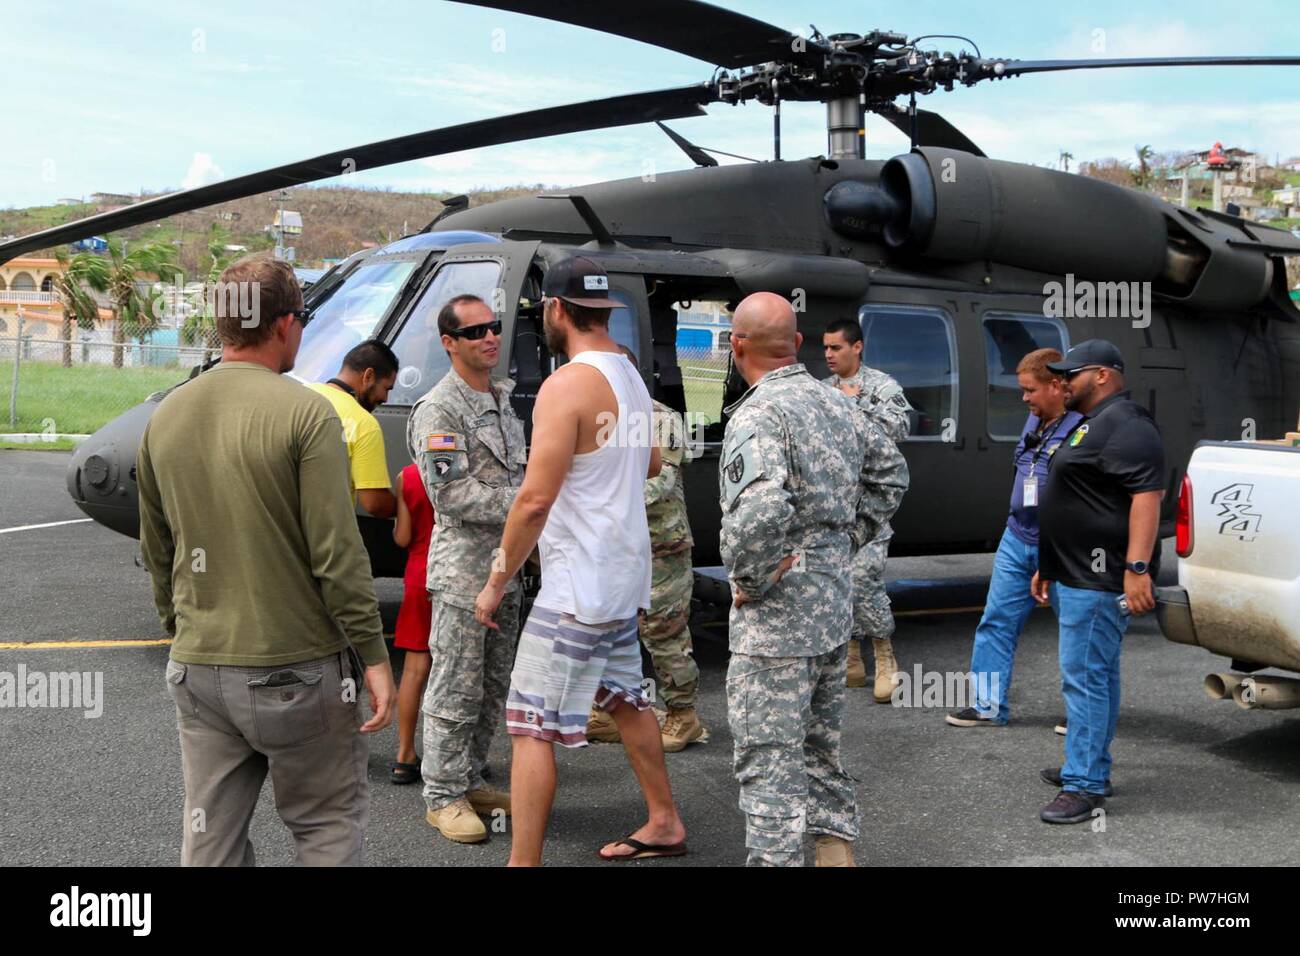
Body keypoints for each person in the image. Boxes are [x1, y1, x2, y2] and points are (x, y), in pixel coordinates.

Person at [137, 254, 397, 866]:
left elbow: (157, 549)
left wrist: (181, 628)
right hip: (296, 669)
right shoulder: (307, 412)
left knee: (210, 839)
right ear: (284, 324)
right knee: (327, 827)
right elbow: (337, 556)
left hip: (199, 667)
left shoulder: (165, 414)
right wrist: (375, 658)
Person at [474, 255, 687, 866]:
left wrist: (495, 582)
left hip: (576, 586)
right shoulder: (627, 373)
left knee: (528, 723)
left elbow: (534, 499)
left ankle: (523, 862)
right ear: (606, 312)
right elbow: (648, 464)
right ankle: (665, 820)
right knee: (624, 696)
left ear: (556, 310)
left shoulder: (565, 385)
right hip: (622, 575)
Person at [721, 292, 908, 867]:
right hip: (831, 606)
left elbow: (758, 515)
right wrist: (841, 543)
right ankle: (834, 852)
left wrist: (752, 577)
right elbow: (891, 475)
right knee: (820, 747)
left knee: (769, 756)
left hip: (776, 622)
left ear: (736, 346)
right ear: (797, 344)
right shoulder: (840, 405)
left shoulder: (758, 414)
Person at [406, 293, 524, 844]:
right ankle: (442, 795)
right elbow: (450, 493)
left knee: (491, 688)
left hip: (508, 571)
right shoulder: (440, 409)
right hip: (463, 576)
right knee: (455, 687)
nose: (490, 338)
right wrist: (527, 503)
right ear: (449, 343)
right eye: (475, 332)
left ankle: (471, 779)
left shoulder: (502, 400)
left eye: (494, 327)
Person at [1031, 339, 1165, 824]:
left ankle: (1084, 785)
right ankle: (1090, 769)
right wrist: (1050, 564)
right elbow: (1081, 500)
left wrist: (1136, 570)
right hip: (1074, 574)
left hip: (1099, 580)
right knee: (1097, 676)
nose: (1063, 381)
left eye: (1072, 373)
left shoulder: (1127, 424)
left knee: (1085, 679)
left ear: (1103, 375)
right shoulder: (1092, 423)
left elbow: (1147, 500)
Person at [946, 348, 1083, 728]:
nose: (1024, 399)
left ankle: (1081, 716)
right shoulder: (1034, 420)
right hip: (1017, 536)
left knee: (1076, 631)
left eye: (1029, 390)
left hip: (1060, 545)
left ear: (1056, 385)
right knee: (996, 621)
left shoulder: (1084, 427)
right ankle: (987, 706)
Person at [587, 346, 707, 752]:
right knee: (605, 629)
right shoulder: (598, 417)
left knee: (663, 632)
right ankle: (607, 711)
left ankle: (683, 715)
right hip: (612, 547)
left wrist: (595, 502)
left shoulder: (660, 418)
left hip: (660, 546)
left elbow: (659, 484)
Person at [822, 317, 912, 699]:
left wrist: (851, 411)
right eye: (825, 348)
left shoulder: (882, 387)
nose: (828, 354)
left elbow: (899, 429)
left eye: (836, 347)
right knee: (839, 580)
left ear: (856, 347)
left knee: (864, 578)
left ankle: (885, 656)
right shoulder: (821, 390)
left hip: (871, 505)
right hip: (833, 504)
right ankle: (852, 658)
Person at [307, 339, 400, 518]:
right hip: (326, 536)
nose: (386, 398)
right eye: (386, 388)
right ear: (368, 376)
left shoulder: (302, 395)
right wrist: (410, 508)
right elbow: (375, 503)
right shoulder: (363, 422)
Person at [390, 461, 435, 784]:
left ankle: (404, 754)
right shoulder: (469, 467)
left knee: (414, 669)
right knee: (460, 671)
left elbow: (403, 538)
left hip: (419, 575)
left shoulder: (406, 475)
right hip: (460, 575)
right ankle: (457, 755)